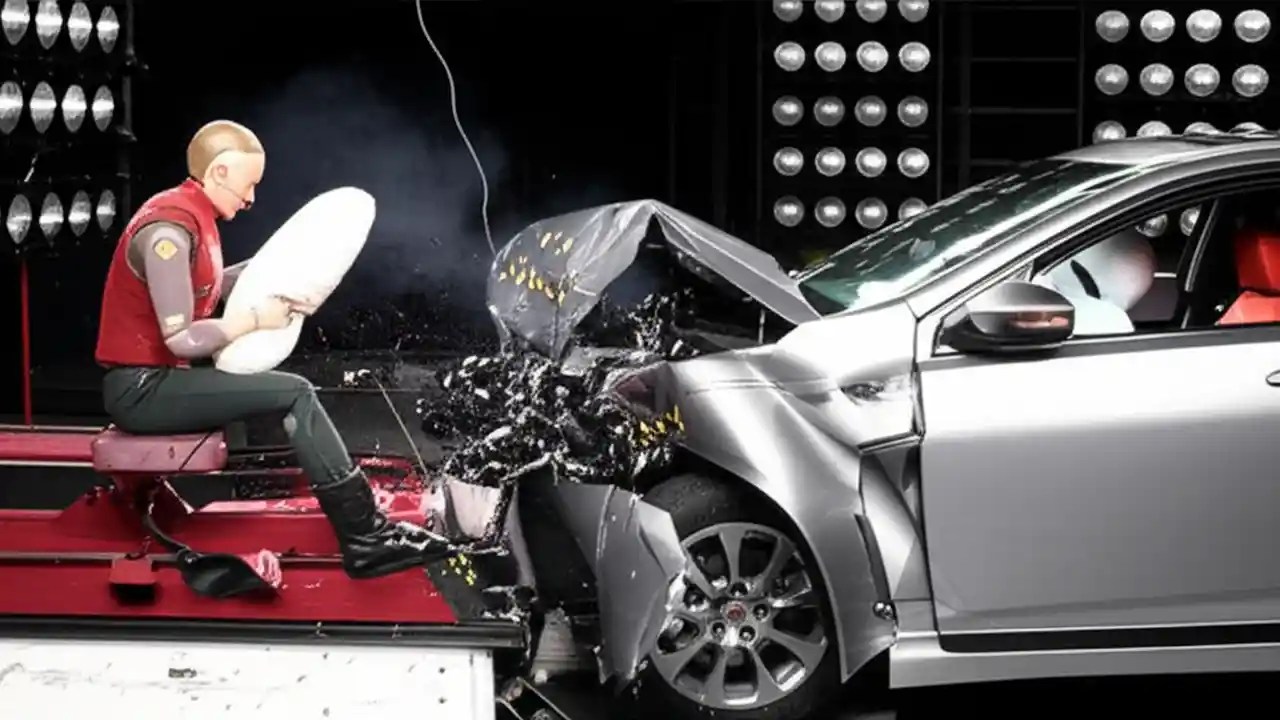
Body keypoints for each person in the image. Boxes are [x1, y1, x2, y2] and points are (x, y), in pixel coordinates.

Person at [94, 119, 452, 579]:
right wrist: (253, 320)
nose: (251, 198)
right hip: (141, 392)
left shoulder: (190, 216)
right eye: (249, 185)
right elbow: (181, 338)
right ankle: (365, 537)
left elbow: (210, 285)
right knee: (295, 392)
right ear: (220, 172)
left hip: (160, 382)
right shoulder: (168, 234)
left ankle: (365, 529)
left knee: (287, 391)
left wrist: (282, 271)